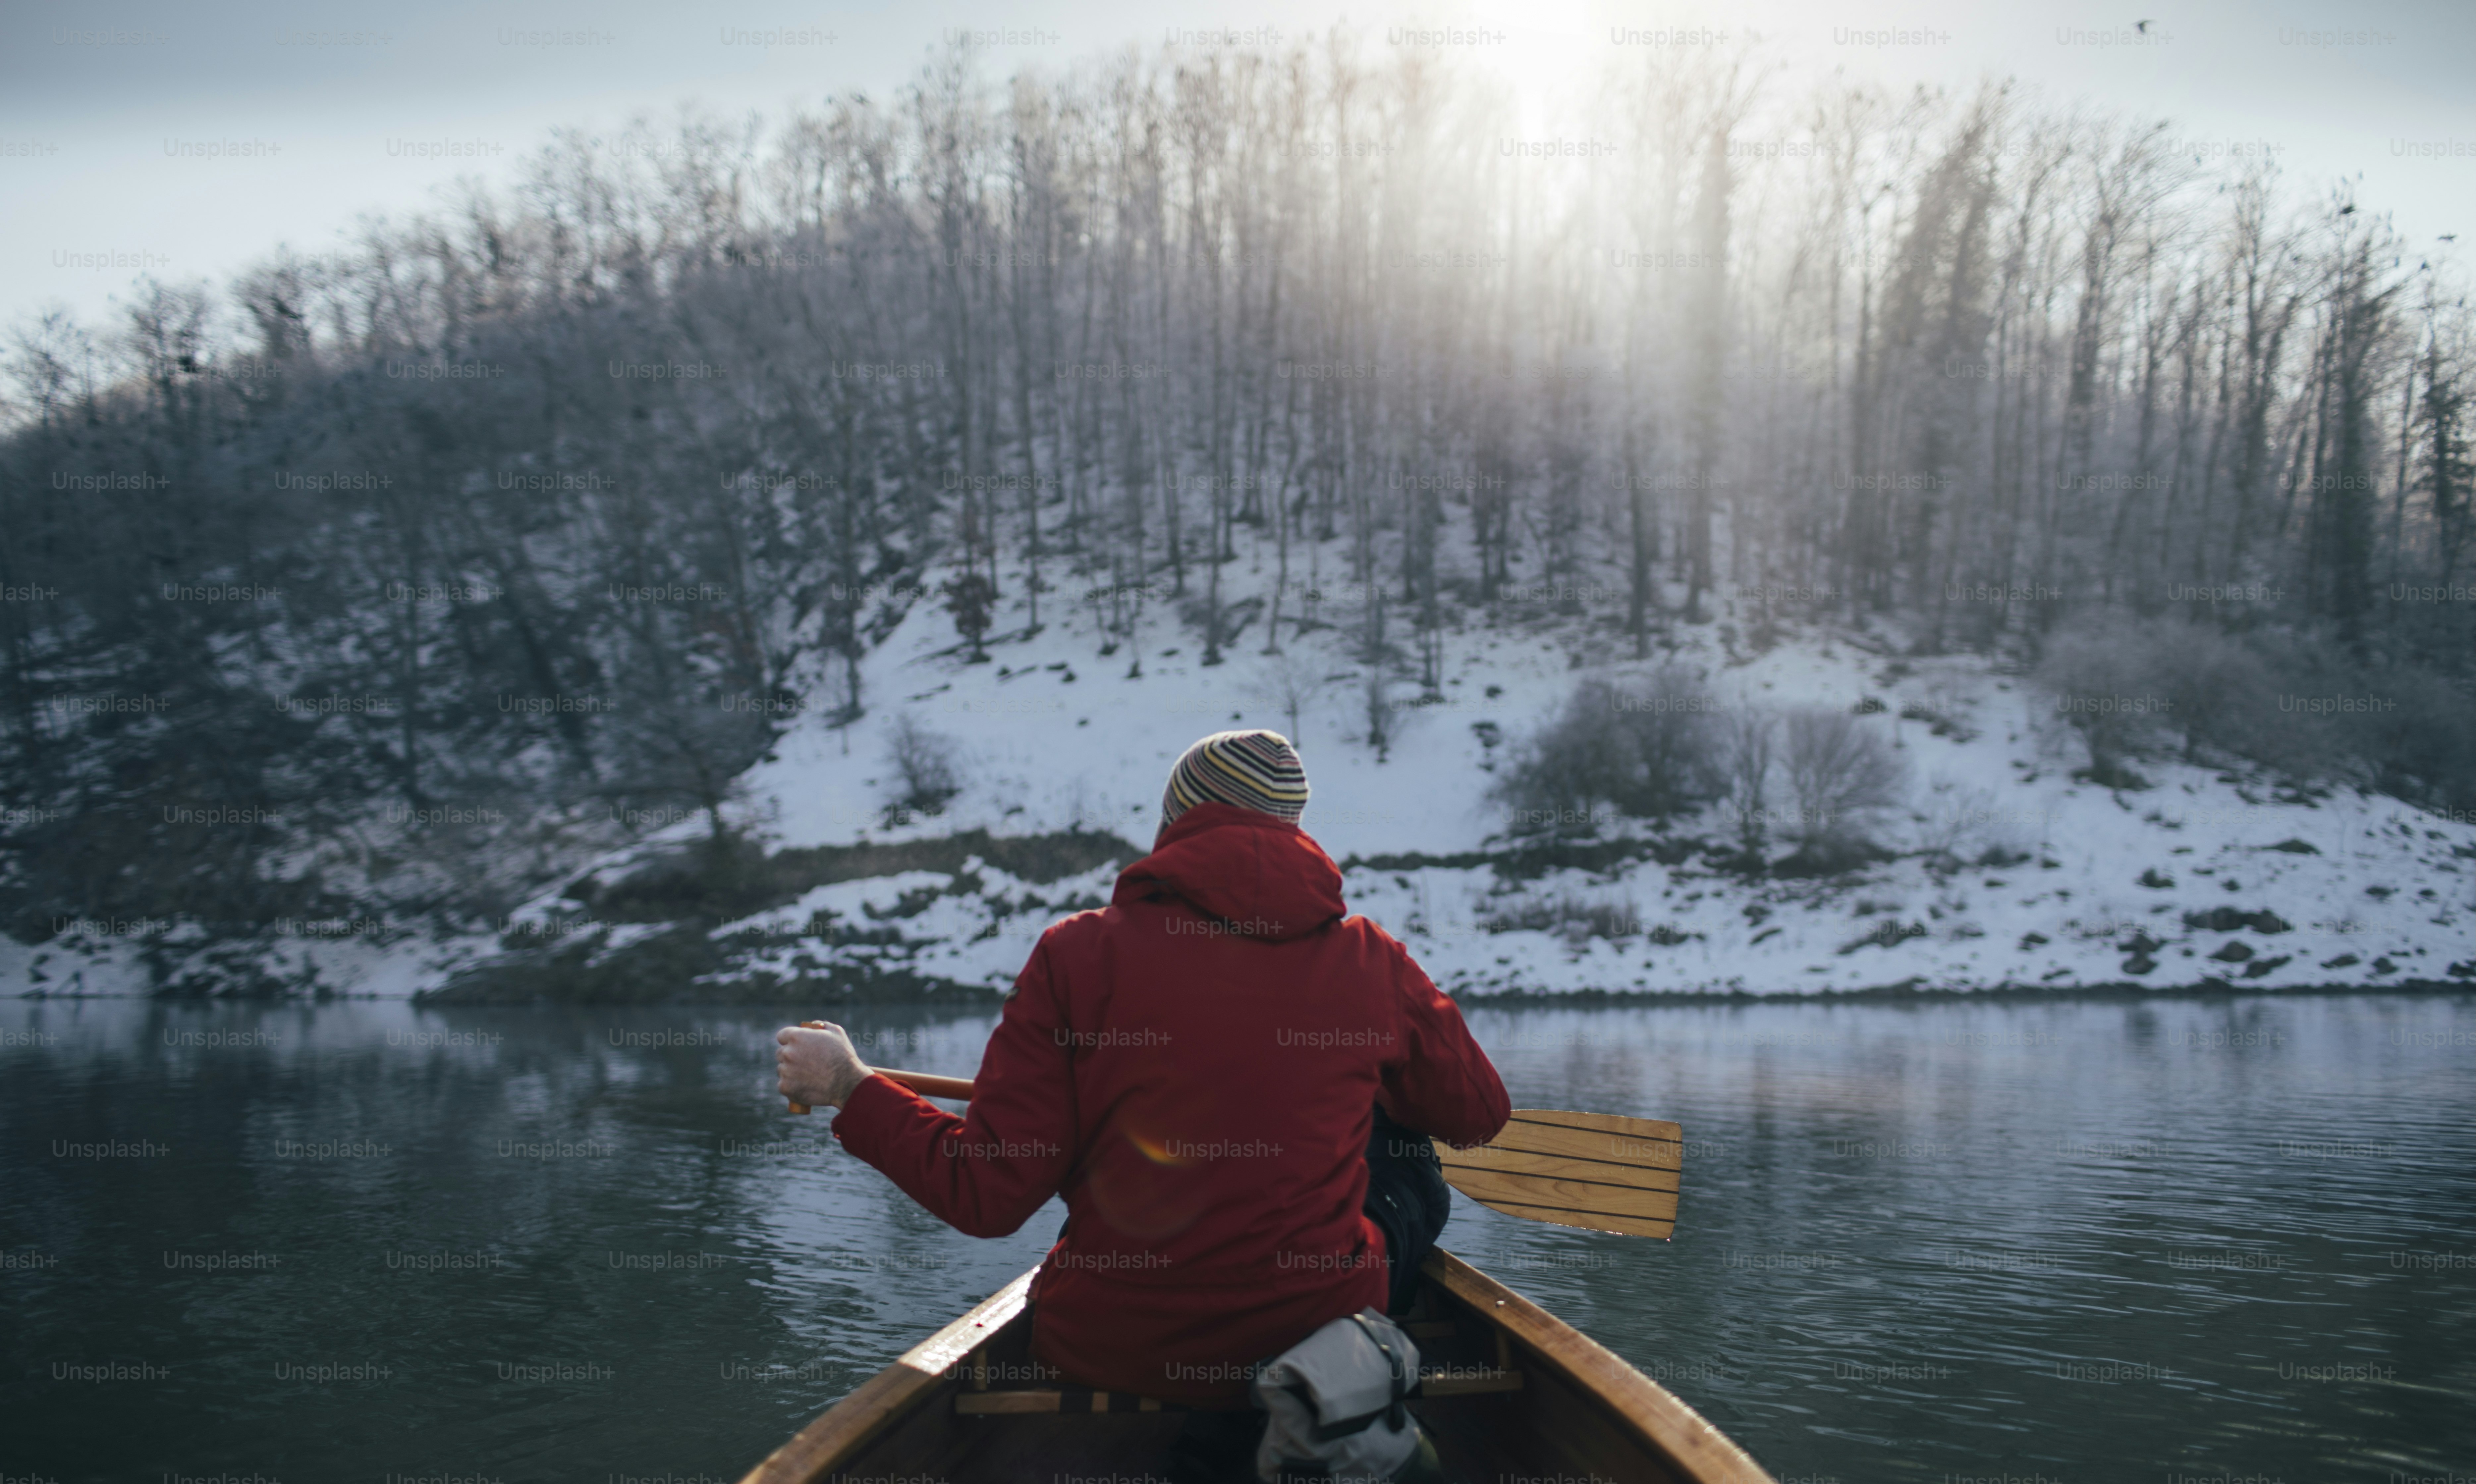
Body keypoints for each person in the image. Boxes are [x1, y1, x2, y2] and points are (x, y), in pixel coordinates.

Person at [776, 729, 1510, 1428]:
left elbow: (987, 1193)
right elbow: (1476, 1112)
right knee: (1405, 1154)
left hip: (1109, 1347)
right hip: (1309, 1333)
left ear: (1174, 822)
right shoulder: (1372, 960)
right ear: (1296, 831)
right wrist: (1355, 1083)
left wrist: (850, 1084)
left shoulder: (1075, 955)